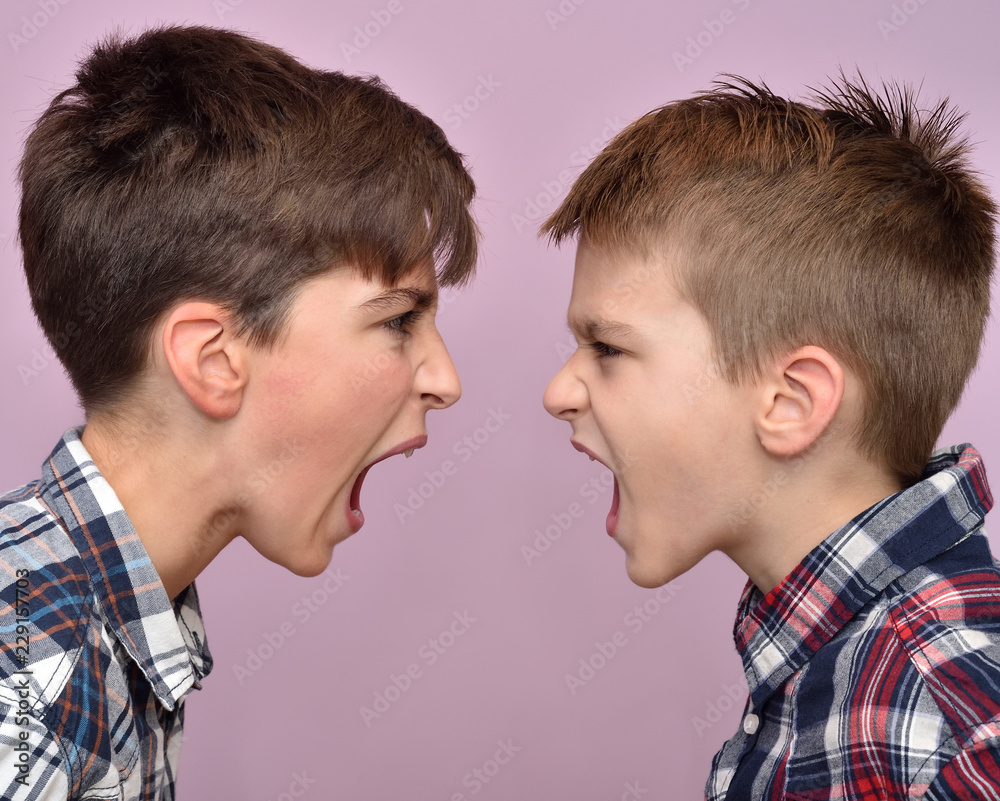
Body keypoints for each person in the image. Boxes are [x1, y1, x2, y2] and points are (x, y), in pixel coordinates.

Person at [0, 24, 476, 800]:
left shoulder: (93, 617)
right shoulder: (30, 659)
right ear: (214, 360)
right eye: (398, 320)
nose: (445, 379)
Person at [541, 75, 999, 798]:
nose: (558, 392)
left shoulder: (941, 729)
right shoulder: (843, 671)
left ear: (790, 402)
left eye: (607, 348)